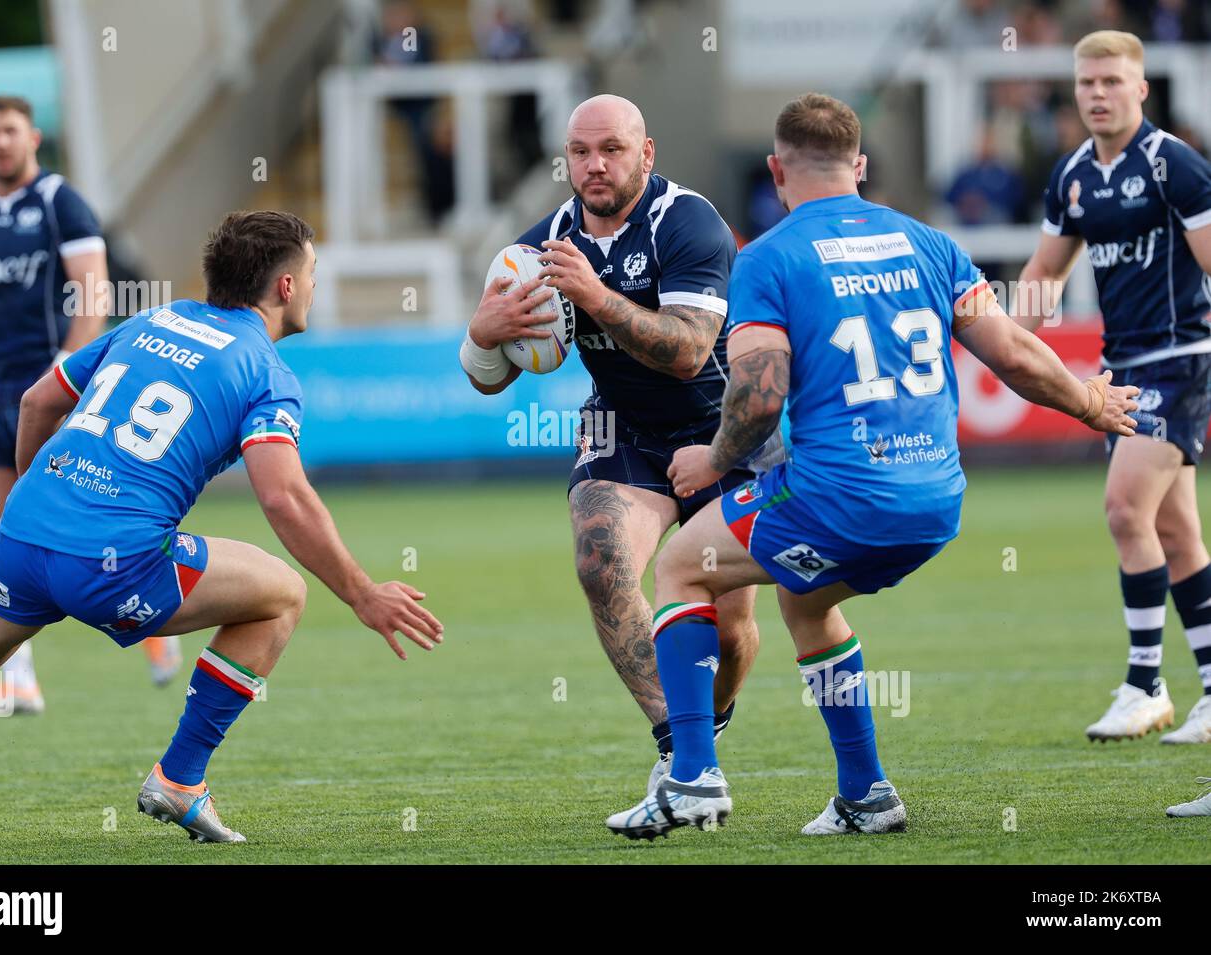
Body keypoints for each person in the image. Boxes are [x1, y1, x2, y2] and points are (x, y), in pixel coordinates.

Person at [603, 93, 1138, 839]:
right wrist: (1087, 402)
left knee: (680, 568)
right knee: (806, 597)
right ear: (859, 165)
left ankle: (690, 780)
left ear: (775, 170)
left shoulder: (767, 258)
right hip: (935, 502)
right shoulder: (930, 243)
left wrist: (711, 457)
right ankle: (866, 794)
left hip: (838, 496)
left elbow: (759, 398)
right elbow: (1013, 352)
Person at [0, 211, 443, 843]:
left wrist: (36, 494)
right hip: (113, 564)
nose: (313, 286)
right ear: (287, 288)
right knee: (281, 596)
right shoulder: (267, 374)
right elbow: (283, 498)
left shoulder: (154, 319)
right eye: (313, 273)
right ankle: (180, 778)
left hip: (24, 536)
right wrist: (360, 592)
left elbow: (36, 402)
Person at [460, 95, 780, 793]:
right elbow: (492, 377)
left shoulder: (688, 222)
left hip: (723, 435)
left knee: (729, 634)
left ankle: (710, 719)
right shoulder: (538, 246)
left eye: (611, 149)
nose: (595, 165)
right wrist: (484, 339)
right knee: (601, 559)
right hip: (623, 429)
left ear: (647, 153)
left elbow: (692, 351)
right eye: (580, 152)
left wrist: (597, 296)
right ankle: (679, 746)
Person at [1012, 31, 1211, 745]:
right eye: (1086, 83)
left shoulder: (1173, 165)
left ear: (1140, 88)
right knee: (1175, 530)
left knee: (1125, 509)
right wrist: (1001, 339)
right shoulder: (1071, 174)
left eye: (1111, 82)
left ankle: (1144, 682)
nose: (1097, 94)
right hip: (1121, 371)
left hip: (1180, 358)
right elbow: (1043, 277)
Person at [0, 94, 180, 713]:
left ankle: (150, 631)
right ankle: (18, 673)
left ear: (32, 137)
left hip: (48, 390)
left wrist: (72, 382)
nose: (0, 142)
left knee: (72, 527)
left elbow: (93, 293)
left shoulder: (60, 202)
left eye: (10, 130)